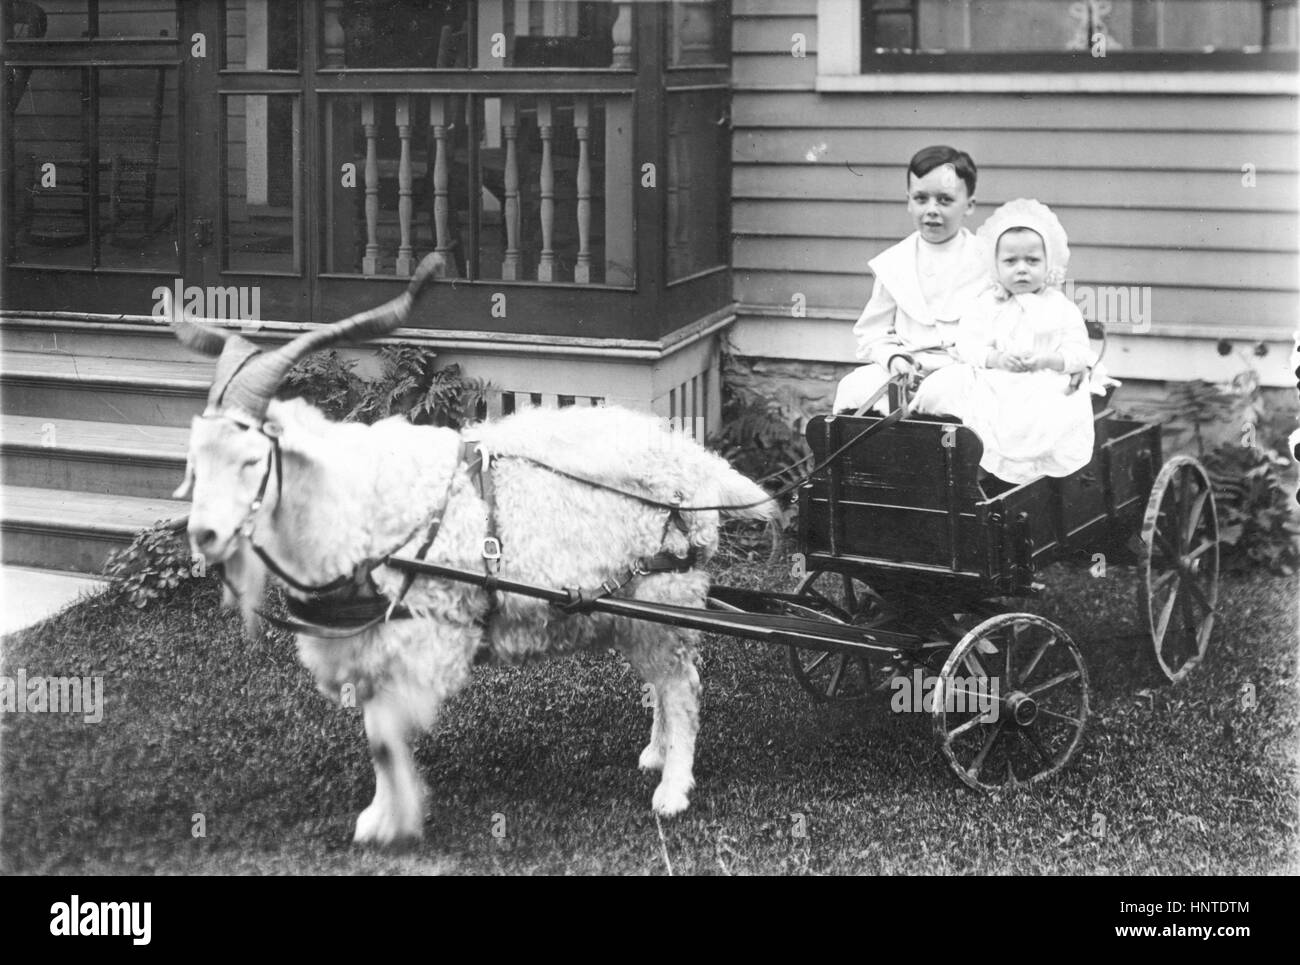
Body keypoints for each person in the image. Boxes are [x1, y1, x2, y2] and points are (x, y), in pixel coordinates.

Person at [912, 198, 1095, 485]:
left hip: (1043, 378)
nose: (1021, 269)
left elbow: (1078, 352)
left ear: (1049, 264)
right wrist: (997, 358)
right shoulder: (987, 304)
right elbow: (969, 345)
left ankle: (1029, 474)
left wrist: (1047, 359)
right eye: (1010, 261)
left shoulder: (1060, 307)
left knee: (1045, 409)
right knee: (971, 400)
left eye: (1032, 261)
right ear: (996, 266)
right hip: (997, 378)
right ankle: (979, 470)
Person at [832, 145, 992, 413]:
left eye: (944, 200)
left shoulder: (988, 262)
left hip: (963, 370)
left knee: (941, 395)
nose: (931, 209)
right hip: (906, 366)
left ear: (969, 205)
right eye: (921, 198)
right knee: (854, 388)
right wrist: (894, 358)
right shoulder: (896, 262)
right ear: (908, 201)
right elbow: (873, 331)